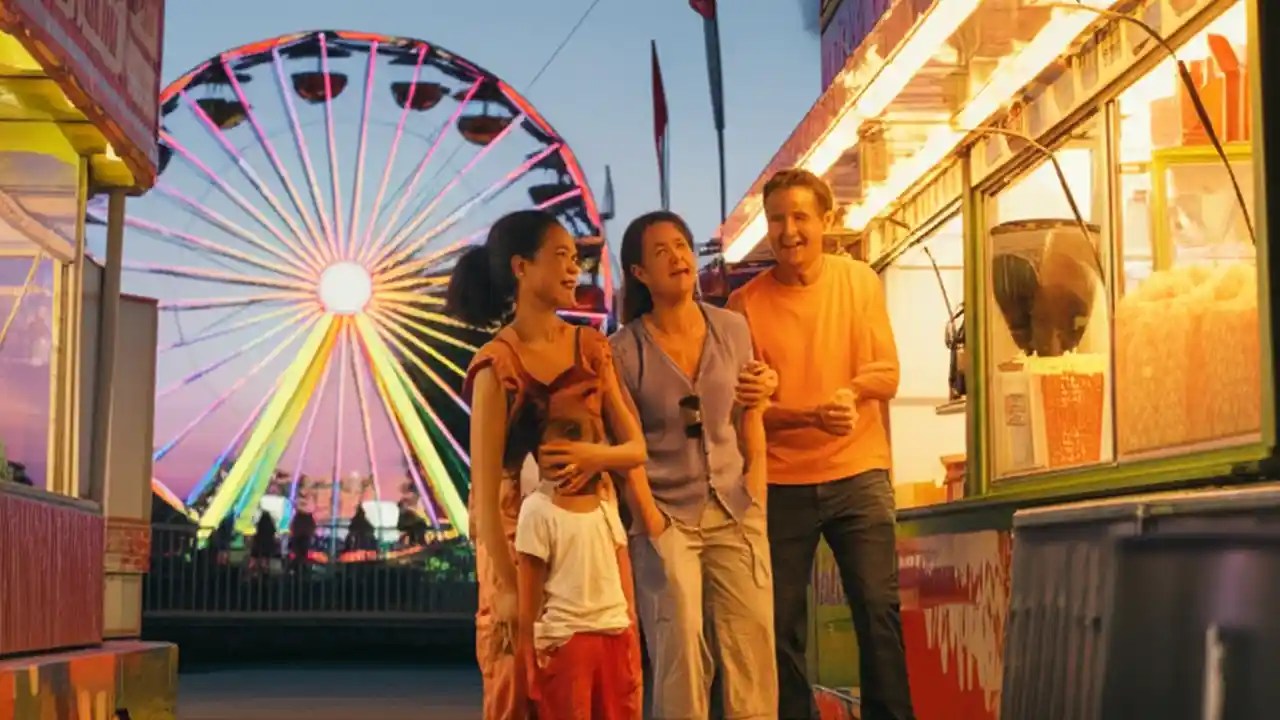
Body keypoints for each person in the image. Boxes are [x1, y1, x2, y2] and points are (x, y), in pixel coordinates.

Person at [446, 209, 656, 719]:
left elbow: (635, 450)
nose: (573, 270)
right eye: (560, 256)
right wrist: (508, 591)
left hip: (593, 541)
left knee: (611, 676)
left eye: (577, 259)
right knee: (522, 680)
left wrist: (593, 456)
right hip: (521, 544)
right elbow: (487, 491)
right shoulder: (497, 365)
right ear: (521, 267)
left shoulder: (591, 348)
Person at [727, 169, 915, 720]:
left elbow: (887, 374)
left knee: (878, 609)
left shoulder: (860, 282)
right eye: (777, 219)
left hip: (860, 473)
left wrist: (851, 395)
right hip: (781, 481)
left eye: (800, 217)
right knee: (779, 620)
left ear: (826, 221)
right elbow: (747, 409)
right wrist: (808, 413)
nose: (788, 231)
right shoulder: (745, 304)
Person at [610, 211, 779, 719]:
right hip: (666, 518)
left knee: (752, 646)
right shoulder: (621, 351)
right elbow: (626, 447)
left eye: (682, 246)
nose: (678, 257)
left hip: (736, 505)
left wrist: (756, 488)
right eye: (660, 251)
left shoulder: (732, 328)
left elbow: (752, 412)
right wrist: (651, 522)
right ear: (639, 273)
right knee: (678, 650)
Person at [515, 473, 639, 719]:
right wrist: (528, 658)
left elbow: (627, 593)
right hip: (566, 642)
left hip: (614, 636)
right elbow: (528, 601)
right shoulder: (537, 508)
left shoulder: (606, 504)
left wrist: (631, 641)